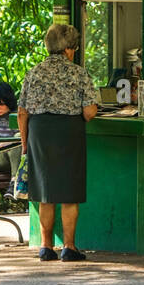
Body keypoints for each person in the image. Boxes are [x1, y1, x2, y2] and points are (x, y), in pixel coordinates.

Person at [18, 23, 98, 261]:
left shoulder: (33, 73)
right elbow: (89, 113)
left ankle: (45, 247)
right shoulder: (79, 73)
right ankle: (69, 247)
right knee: (69, 192)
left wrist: (25, 144)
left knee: (46, 192)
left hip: (39, 133)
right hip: (69, 131)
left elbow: (22, 112)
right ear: (69, 50)